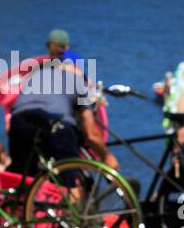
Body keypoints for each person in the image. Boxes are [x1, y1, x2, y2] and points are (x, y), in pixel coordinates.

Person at [7, 47, 117, 179]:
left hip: (19, 121)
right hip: (56, 126)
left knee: (21, 179)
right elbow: (91, 134)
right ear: (77, 68)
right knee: (68, 183)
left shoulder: (36, 76)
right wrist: (107, 156)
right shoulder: (78, 81)